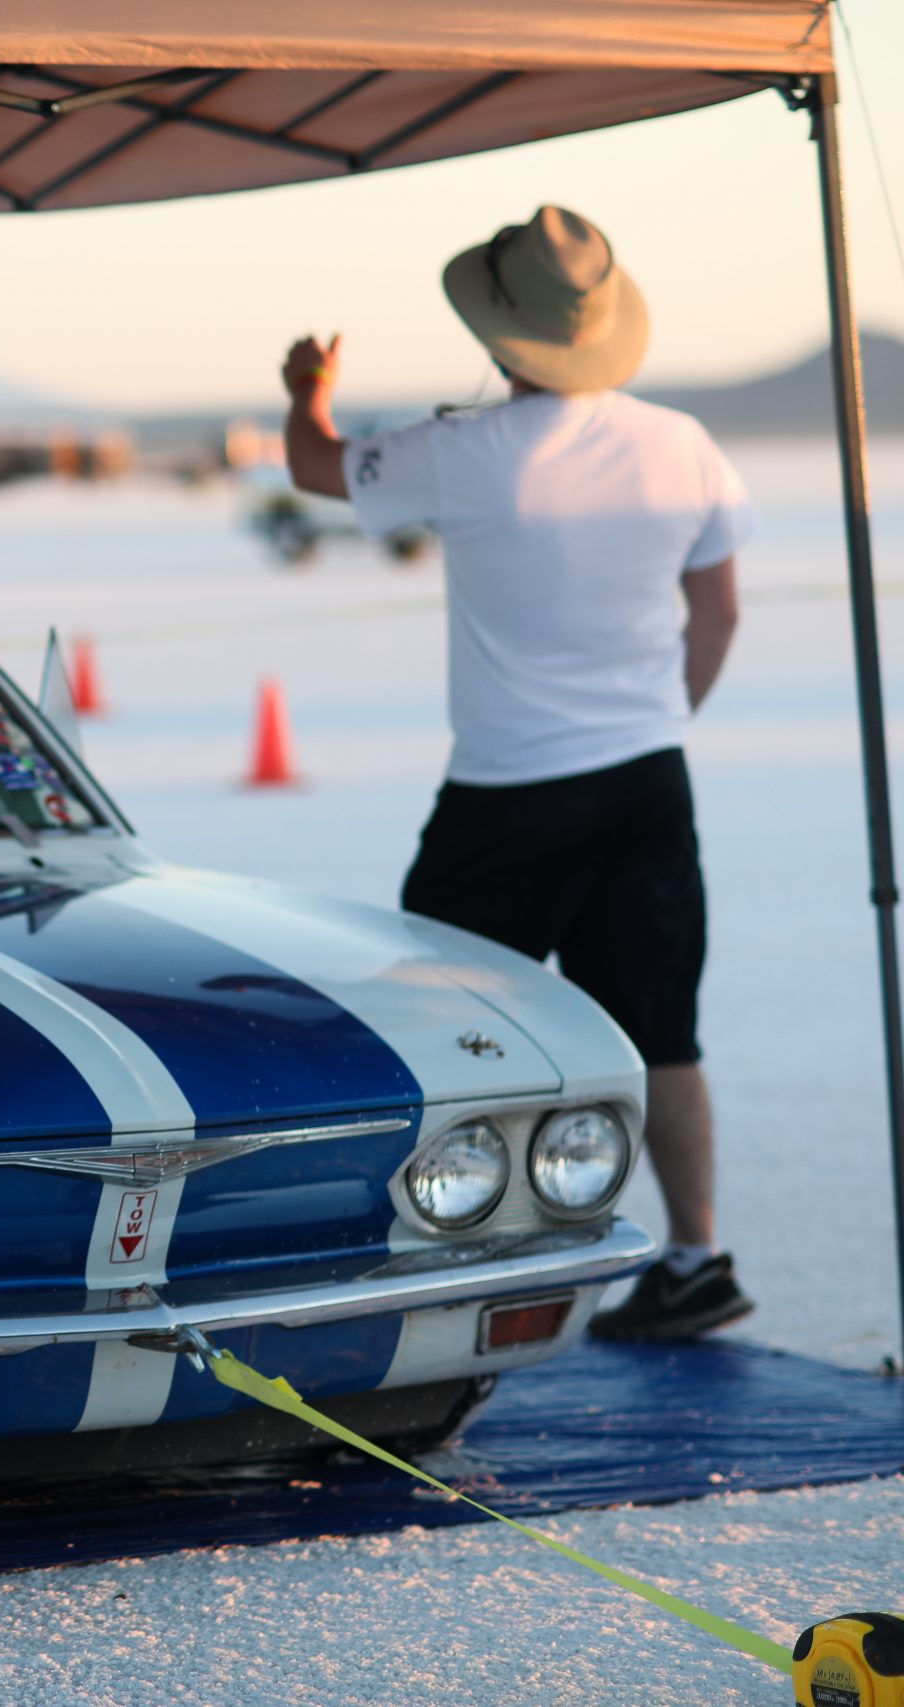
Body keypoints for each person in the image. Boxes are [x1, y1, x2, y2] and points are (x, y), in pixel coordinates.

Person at [280, 205, 754, 1342]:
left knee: (436, 1028)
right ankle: (695, 1256)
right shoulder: (683, 442)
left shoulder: (462, 451)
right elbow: (719, 608)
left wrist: (307, 387)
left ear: (501, 337)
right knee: (662, 1032)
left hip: (503, 796)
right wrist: (653, 718)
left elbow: (312, 468)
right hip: (645, 782)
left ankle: (426, 1256)